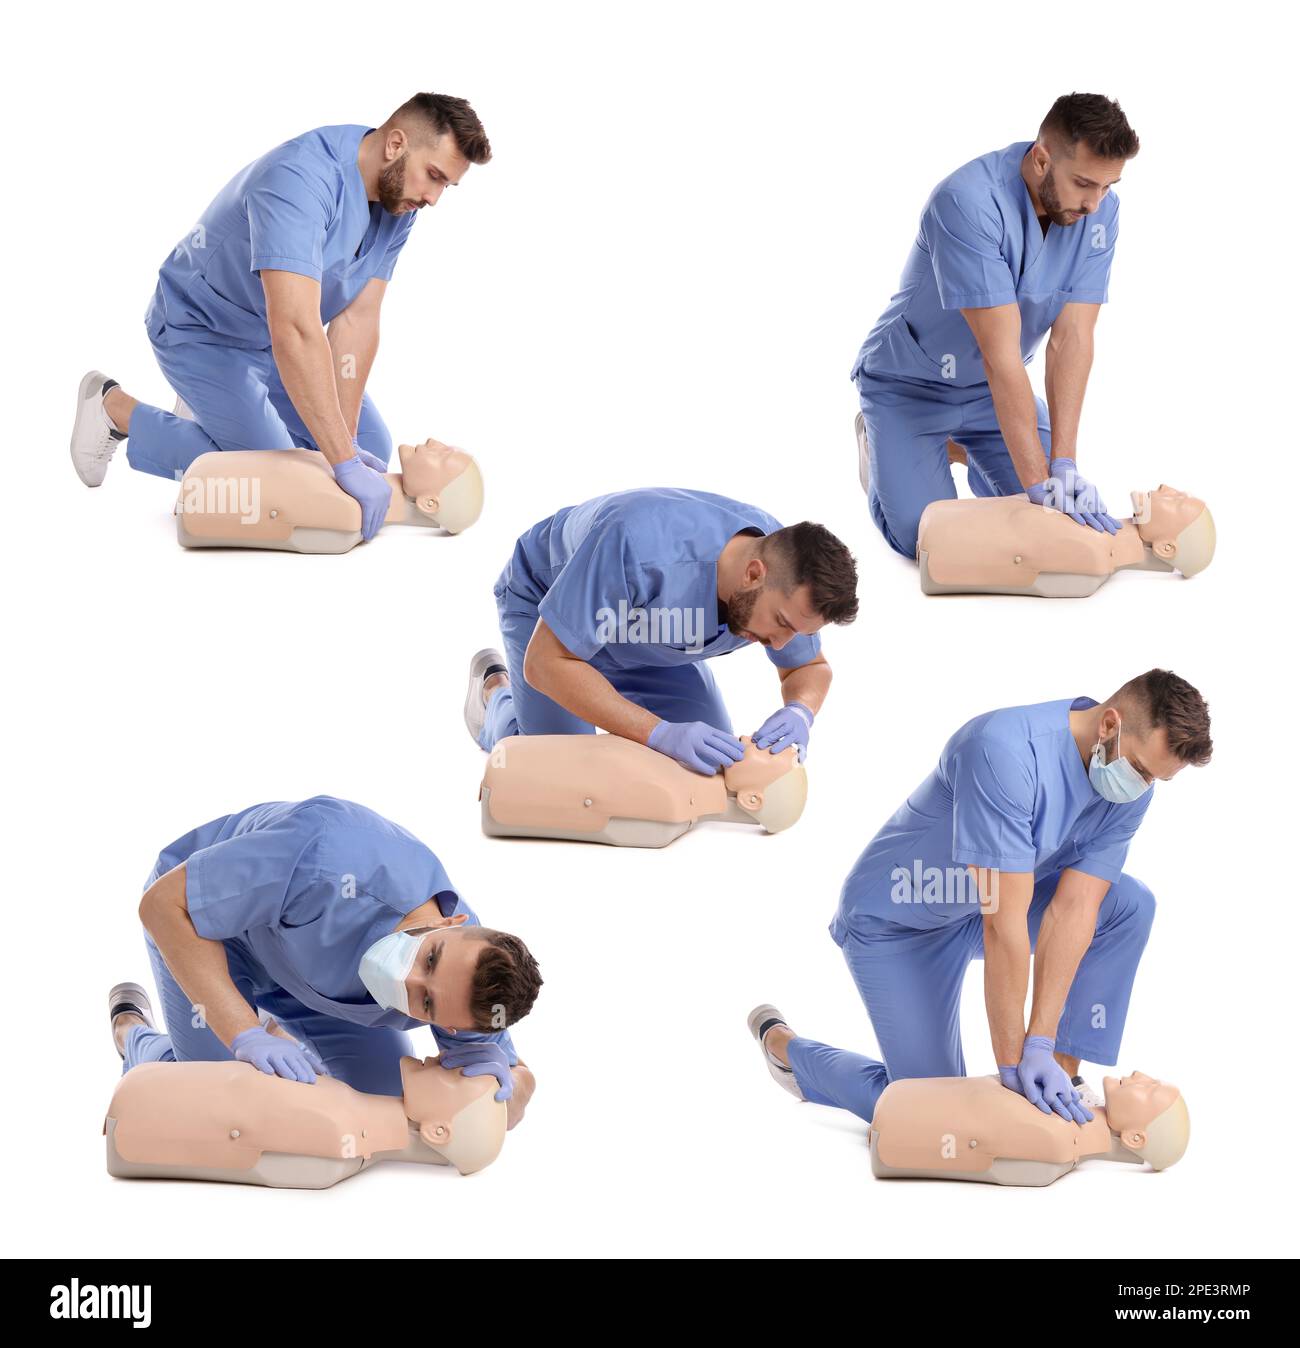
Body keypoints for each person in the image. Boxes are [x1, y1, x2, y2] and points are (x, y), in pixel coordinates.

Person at [750, 670, 1212, 1126]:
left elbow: (1076, 909)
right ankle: (788, 1052)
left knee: (1128, 906)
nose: (1141, 786)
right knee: (932, 1118)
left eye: (1156, 779)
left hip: (976, 910)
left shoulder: (1130, 791)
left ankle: (1064, 1080)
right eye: (1140, 770)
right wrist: (1012, 1066)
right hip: (899, 924)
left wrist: (1042, 1043)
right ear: (1110, 725)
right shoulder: (1003, 750)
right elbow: (1003, 922)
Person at [70, 93, 490, 541]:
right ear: (396, 145)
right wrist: (342, 463)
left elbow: (358, 321)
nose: (433, 198)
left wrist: (347, 445)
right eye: (434, 176)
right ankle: (115, 410)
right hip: (203, 331)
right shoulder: (299, 180)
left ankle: (221, 414)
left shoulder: (397, 202)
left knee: (371, 446)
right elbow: (294, 328)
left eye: (447, 186)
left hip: (272, 341)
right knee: (279, 473)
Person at [108, 796, 540, 1122]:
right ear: (452, 921)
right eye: (428, 959)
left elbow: (519, 1081)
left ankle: (277, 1028)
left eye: (425, 1002)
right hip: (207, 926)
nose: (405, 978)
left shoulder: (469, 993)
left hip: (309, 984)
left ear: (451, 1025)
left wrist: (501, 1092)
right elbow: (163, 905)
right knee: (215, 1099)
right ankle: (134, 1034)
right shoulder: (327, 857)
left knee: (385, 1100)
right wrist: (242, 1033)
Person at [852, 93, 1140, 559]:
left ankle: (956, 449)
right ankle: (879, 444)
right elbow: (1000, 355)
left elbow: (1072, 339)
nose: (1094, 203)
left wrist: (1063, 464)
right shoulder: (966, 202)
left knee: (1047, 524)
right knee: (927, 542)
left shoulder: (1100, 212)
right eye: (1084, 183)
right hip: (909, 386)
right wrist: (1037, 483)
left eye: (1108, 186)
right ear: (1041, 159)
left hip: (991, 394)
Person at [462, 488, 858, 775]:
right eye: (783, 623)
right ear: (753, 575)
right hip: (548, 612)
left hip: (645, 639)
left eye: (797, 631)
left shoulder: (788, 573)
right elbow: (547, 662)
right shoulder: (636, 544)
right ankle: (497, 697)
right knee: (557, 773)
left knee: (707, 764)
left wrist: (800, 711)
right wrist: (657, 733)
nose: (783, 643)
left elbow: (809, 668)